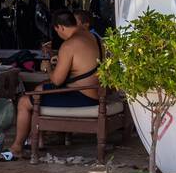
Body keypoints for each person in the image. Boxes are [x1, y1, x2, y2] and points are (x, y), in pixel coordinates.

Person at [5, 10, 103, 160]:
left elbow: (57, 80)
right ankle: (36, 139)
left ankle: (17, 147)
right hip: (97, 93)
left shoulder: (69, 44)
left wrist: (47, 68)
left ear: (60, 28)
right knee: (40, 89)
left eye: (57, 31)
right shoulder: (94, 37)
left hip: (83, 97)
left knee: (24, 101)